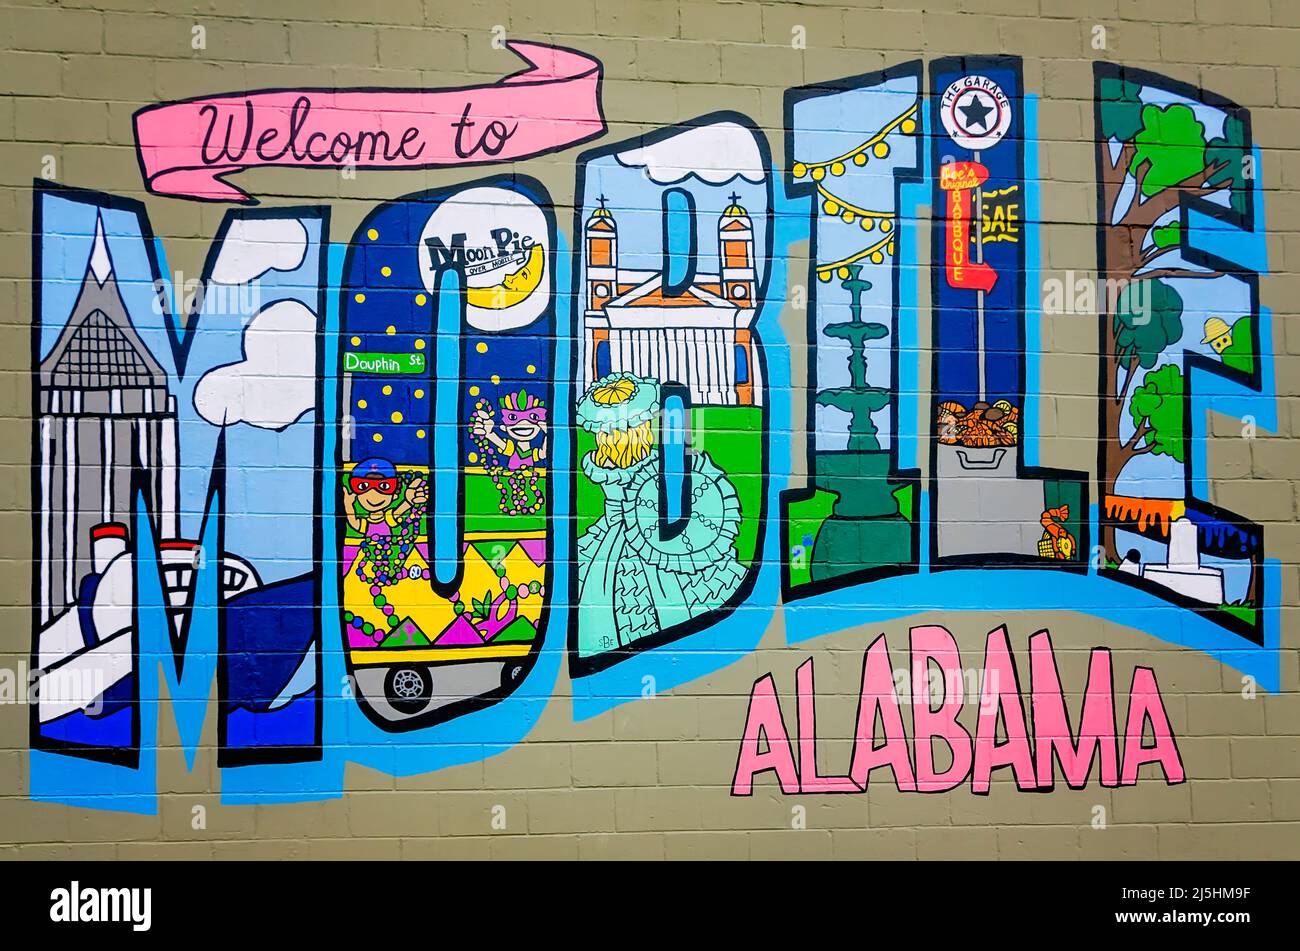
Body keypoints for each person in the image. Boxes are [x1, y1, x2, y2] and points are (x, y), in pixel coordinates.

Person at [342, 457, 427, 537]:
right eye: (363, 486)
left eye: (384, 487)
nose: (373, 493)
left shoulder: (388, 517)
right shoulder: (365, 524)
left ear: (394, 495)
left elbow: (400, 510)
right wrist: (348, 503)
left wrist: (408, 501)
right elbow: (353, 521)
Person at [470, 390, 548, 470]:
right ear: (503, 427)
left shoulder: (532, 454)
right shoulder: (511, 449)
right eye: (513, 418)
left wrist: (547, 434)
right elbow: (498, 441)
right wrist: (489, 433)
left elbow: (543, 453)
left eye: (534, 417)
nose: (523, 422)